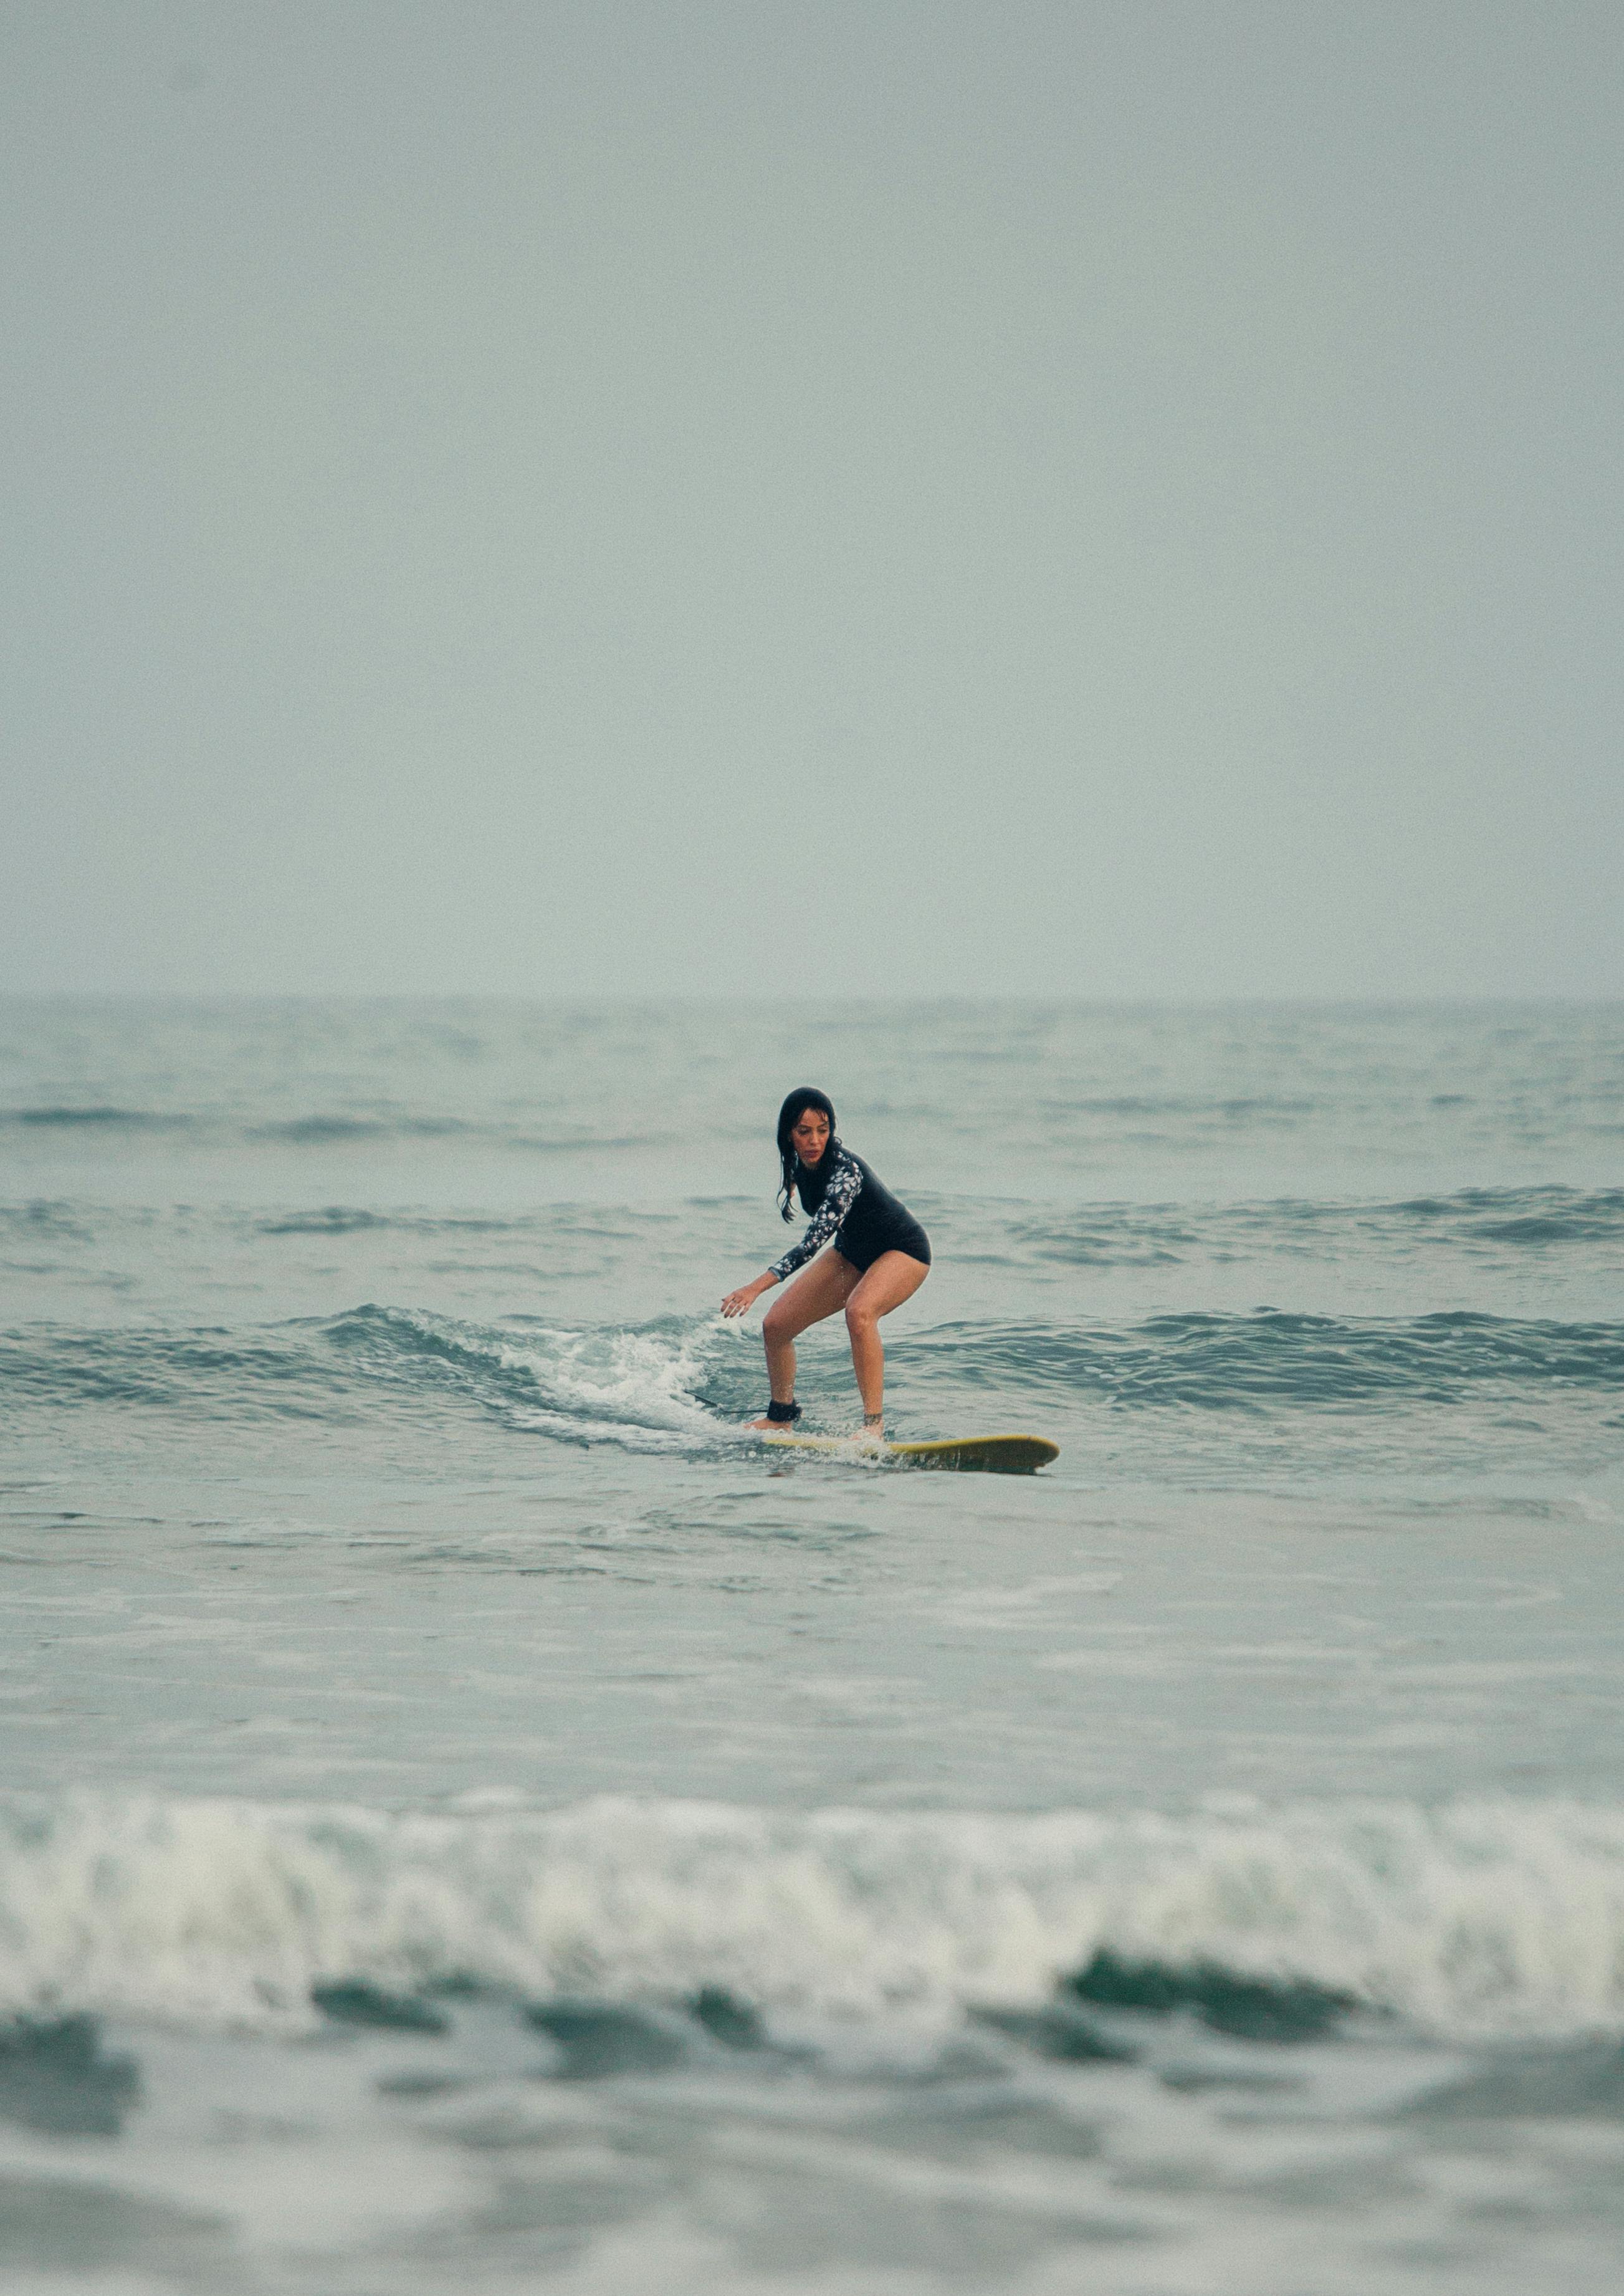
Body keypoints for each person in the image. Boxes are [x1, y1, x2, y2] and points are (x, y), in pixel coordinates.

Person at [720, 1088, 931, 1437]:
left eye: (823, 1129)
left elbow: (810, 1246)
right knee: (776, 1327)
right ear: (789, 1133)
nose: (815, 1140)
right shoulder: (798, 1162)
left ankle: (873, 1426)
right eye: (804, 1131)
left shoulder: (845, 1172)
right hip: (854, 1251)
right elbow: (801, 1182)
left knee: (859, 1312)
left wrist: (754, 1288)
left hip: (902, 1250)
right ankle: (781, 1416)